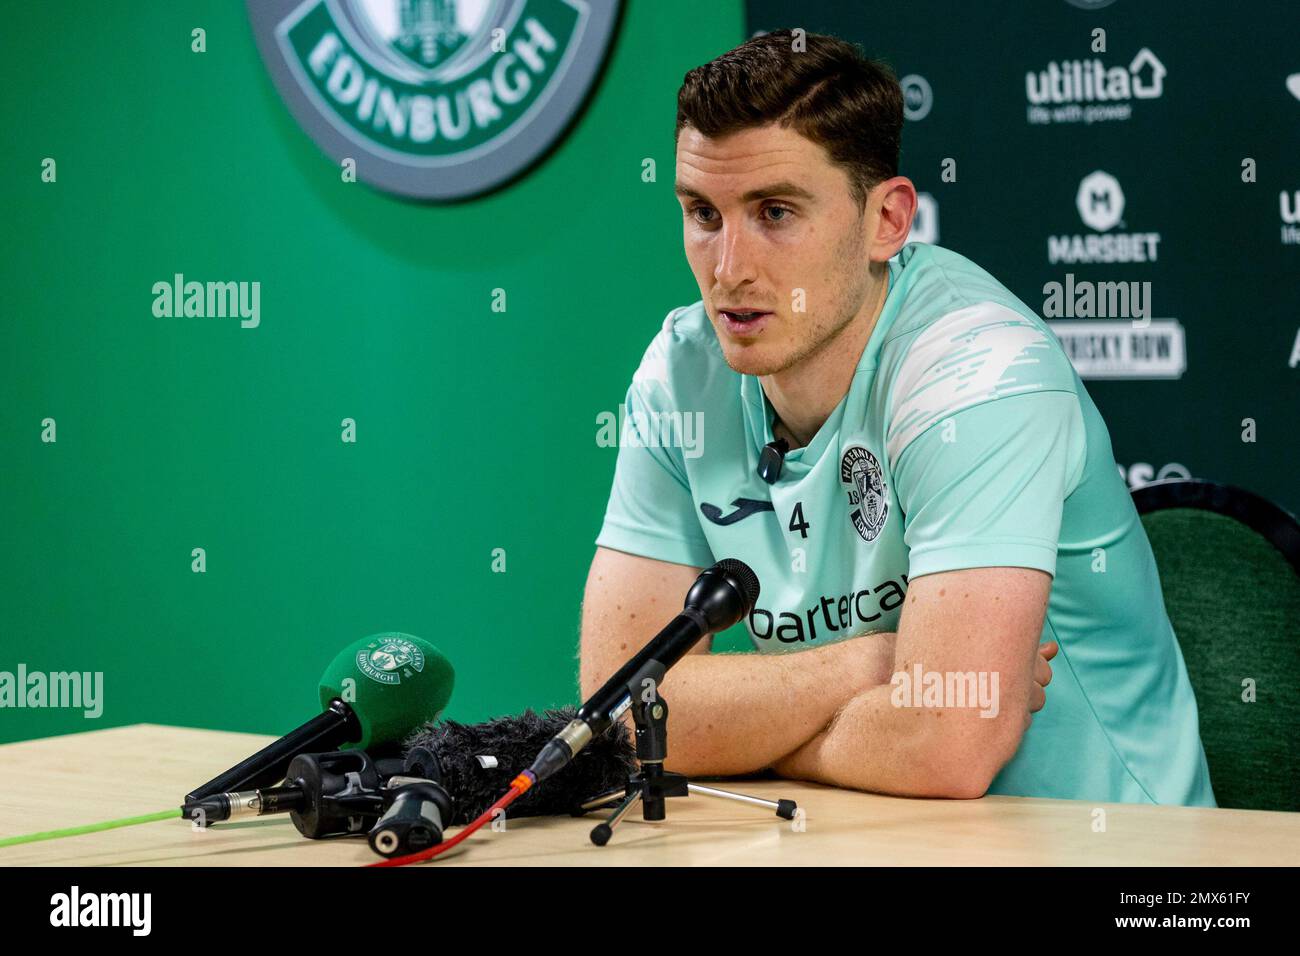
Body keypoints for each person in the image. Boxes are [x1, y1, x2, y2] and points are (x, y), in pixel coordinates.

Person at [581, 30, 1214, 805]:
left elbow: (946, 745)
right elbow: (621, 715)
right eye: (703, 214)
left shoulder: (981, 368)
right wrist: (873, 666)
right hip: (871, 835)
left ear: (887, 219)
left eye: (775, 211)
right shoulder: (683, 371)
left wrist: (744, 736)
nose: (729, 266)